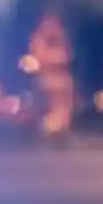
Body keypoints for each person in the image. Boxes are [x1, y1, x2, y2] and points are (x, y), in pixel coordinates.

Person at [29, 12, 75, 142]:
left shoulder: (62, 41)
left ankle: (61, 129)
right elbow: (41, 59)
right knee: (52, 105)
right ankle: (49, 130)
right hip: (46, 78)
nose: (52, 27)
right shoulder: (38, 41)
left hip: (62, 79)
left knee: (63, 105)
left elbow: (66, 57)